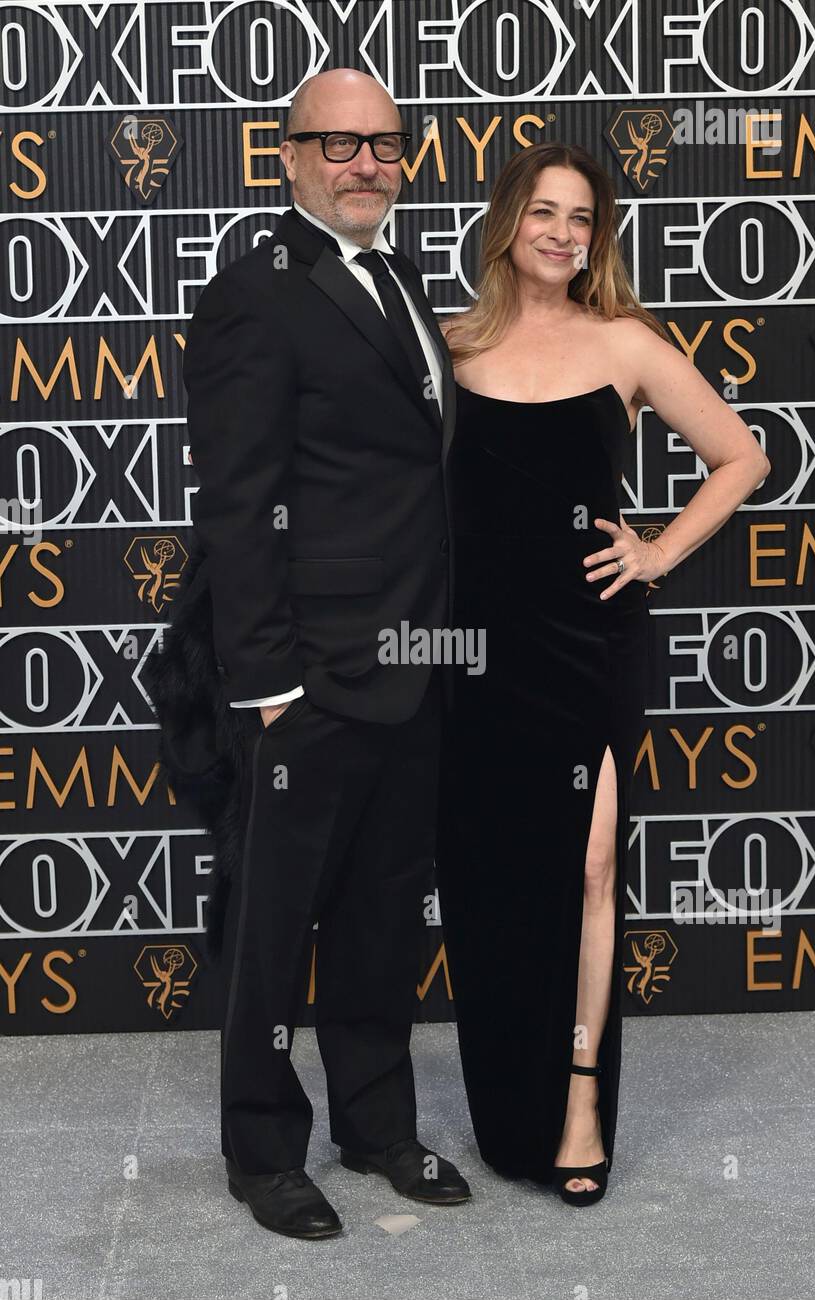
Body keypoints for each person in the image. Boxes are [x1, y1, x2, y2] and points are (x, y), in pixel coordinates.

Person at [435, 142, 770, 1206]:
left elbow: (743, 455)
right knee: (491, 884)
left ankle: (579, 1097)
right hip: (474, 657)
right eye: (543, 211)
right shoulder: (451, 347)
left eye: (581, 217)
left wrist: (657, 552)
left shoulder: (623, 342)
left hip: (587, 646)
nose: (562, 233)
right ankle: (504, 1102)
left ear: (597, 236)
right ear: (507, 220)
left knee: (586, 873)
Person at [180, 67, 469, 1240]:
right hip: (302, 678)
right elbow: (239, 508)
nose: (365, 165)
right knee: (272, 921)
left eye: (385, 146)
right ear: (287, 156)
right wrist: (267, 684)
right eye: (338, 145)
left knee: (381, 917)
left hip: (411, 663)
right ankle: (261, 1149)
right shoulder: (255, 294)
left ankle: (377, 1126)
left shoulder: (399, 278)